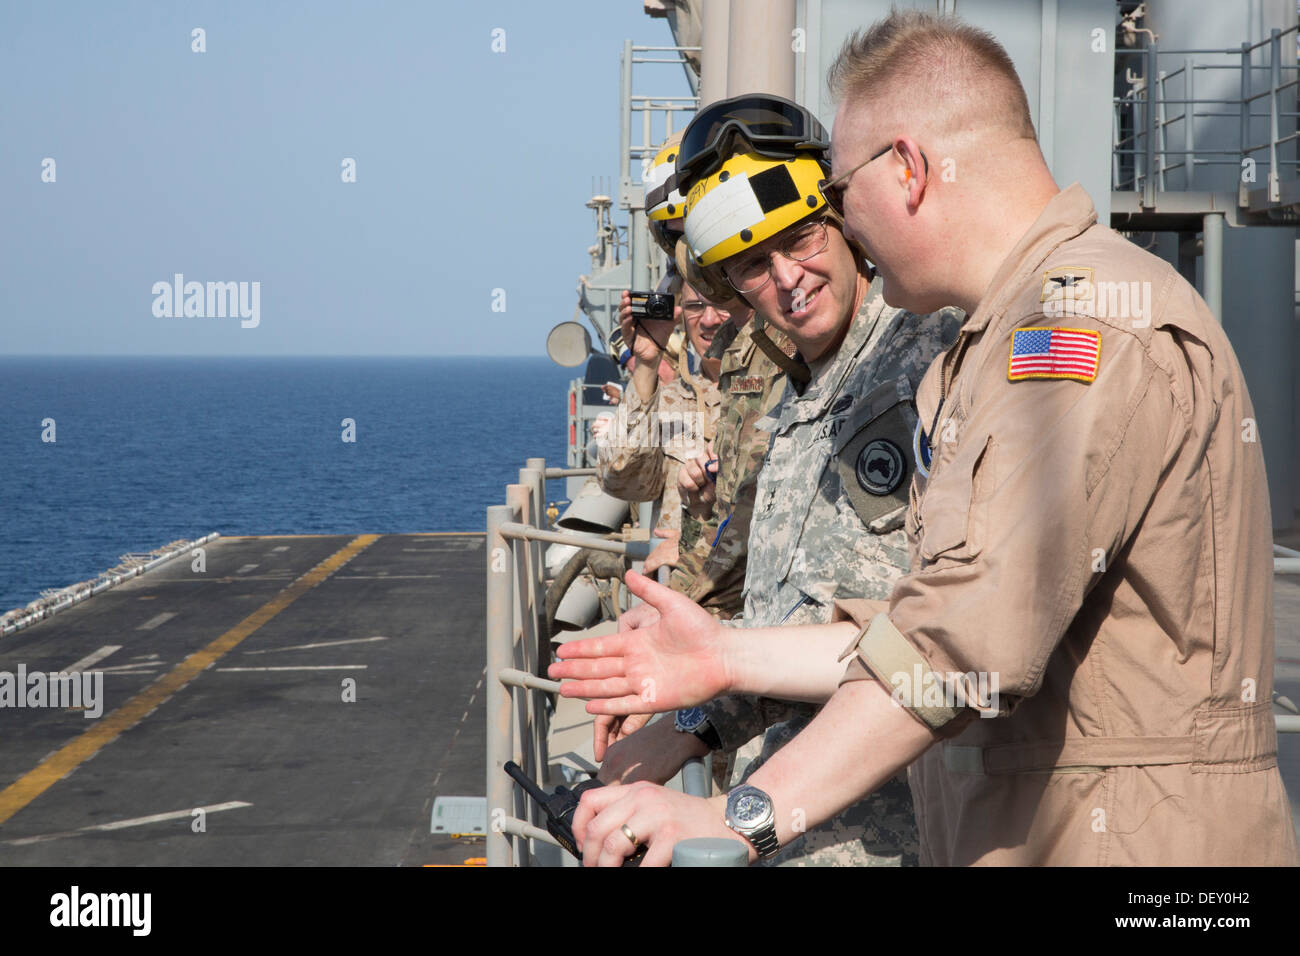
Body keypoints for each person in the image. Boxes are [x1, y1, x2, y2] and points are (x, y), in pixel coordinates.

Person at [549, 10, 1300, 867]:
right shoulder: (1002, 340)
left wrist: (740, 816)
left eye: (834, 199)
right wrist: (719, 665)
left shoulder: (1075, 327)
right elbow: (924, 613)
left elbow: (960, 639)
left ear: (905, 168)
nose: (839, 229)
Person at [592, 114, 961, 866]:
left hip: (903, 833)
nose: (786, 279)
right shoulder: (801, 402)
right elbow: (786, 620)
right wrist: (689, 722)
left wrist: (715, 691)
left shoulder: (932, 356)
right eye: (752, 267)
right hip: (786, 833)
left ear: (846, 224)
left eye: (801, 239)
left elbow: (945, 646)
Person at [596, 274, 724, 574]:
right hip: (677, 597)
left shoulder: (783, 392)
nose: (709, 319)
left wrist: (698, 541)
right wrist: (646, 363)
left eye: (721, 304)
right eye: (695, 306)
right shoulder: (670, 401)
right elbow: (619, 478)